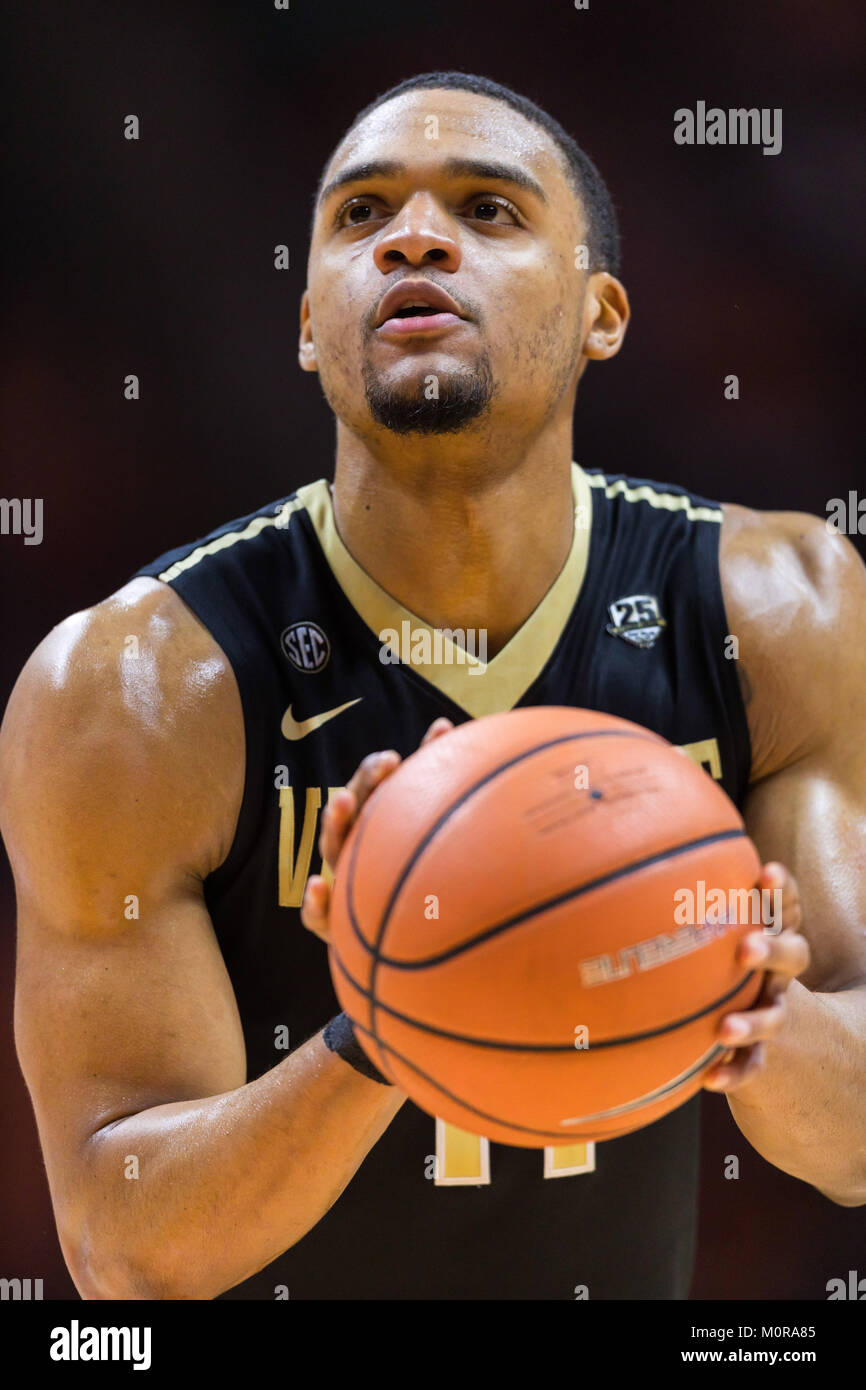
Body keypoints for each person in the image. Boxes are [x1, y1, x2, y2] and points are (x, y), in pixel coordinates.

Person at [1, 72, 864, 1302]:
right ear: (307, 325)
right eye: (359, 216)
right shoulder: (134, 691)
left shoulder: (777, 608)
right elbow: (124, 1246)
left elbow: (852, 1147)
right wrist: (390, 1022)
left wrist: (734, 997)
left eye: (489, 210)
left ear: (598, 312)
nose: (411, 234)